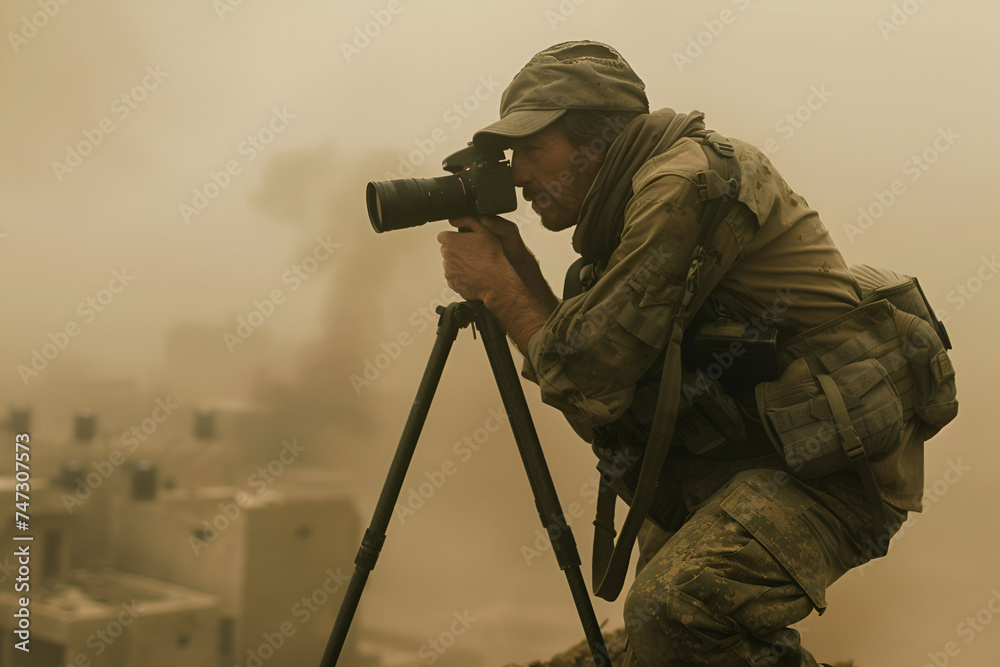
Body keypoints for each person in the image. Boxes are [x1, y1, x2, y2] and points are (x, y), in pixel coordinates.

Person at [437, 41, 929, 666]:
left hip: (828, 475)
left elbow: (588, 375)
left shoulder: (685, 184)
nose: (519, 174)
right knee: (657, 642)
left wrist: (498, 287)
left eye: (535, 149)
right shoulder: (624, 218)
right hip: (735, 467)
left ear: (599, 139)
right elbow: (592, 378)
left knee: (675, 611)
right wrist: (521, 272)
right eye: (513, 155)